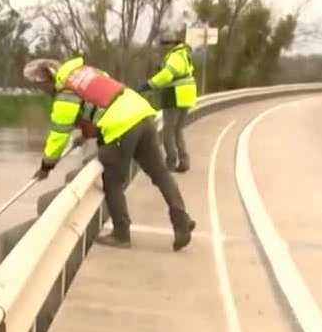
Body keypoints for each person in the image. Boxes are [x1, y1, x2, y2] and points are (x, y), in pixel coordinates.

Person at [24, 56, 196, 251]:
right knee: (160, 173)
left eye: (40, 87)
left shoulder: (65, 92)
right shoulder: (88, 72)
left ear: (46, 81)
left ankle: (121, 234)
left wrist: (46, 166)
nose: (42, 91)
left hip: (122, 128)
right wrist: (88, 134)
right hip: (143, 115)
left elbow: (59, 134)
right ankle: (181, 221)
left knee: (113, 181)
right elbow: (102, 102)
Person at [138, 37, 197, 172]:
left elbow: (166, 75)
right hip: (187, 95)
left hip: (175, 96)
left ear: (172, 44)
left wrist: (149, 85)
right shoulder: (184, 54)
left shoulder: (175, 56)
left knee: (168, 131)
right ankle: (184, 161)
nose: (162, 48)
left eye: (165, 44)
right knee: (178, 130)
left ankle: (170, 161)